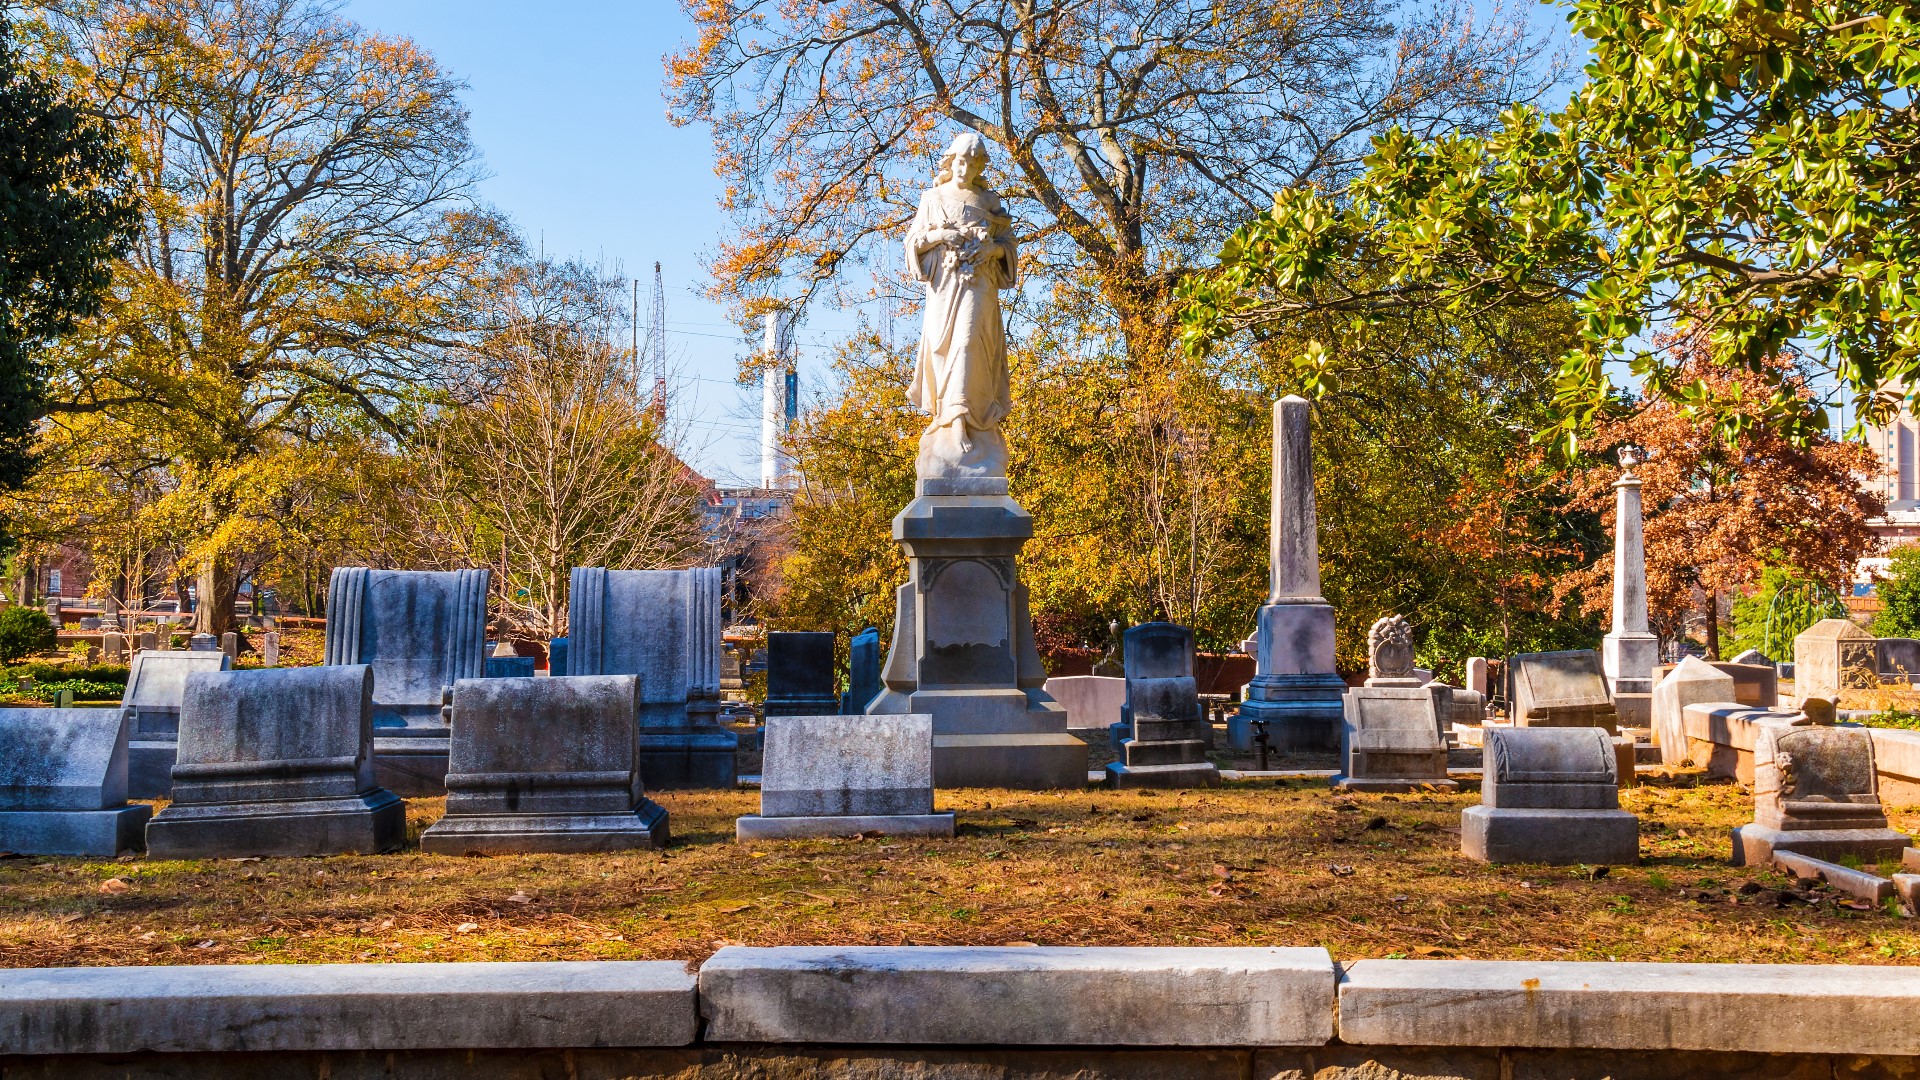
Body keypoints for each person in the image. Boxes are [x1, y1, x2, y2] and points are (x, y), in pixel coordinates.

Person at [904, 131, 1018, 481]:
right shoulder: (932, 198)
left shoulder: (989, 201)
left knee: (969, 345)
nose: (964, 168)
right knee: (947, 350)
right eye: (960, 161)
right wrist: (941, 235)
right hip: (944, 288)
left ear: (980, 166)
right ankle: (948, 421)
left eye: (972, 163)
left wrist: (991, 249)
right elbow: (913, 244)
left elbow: (1008, 245)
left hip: (979, 286)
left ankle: (961, 422)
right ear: (951, 161)